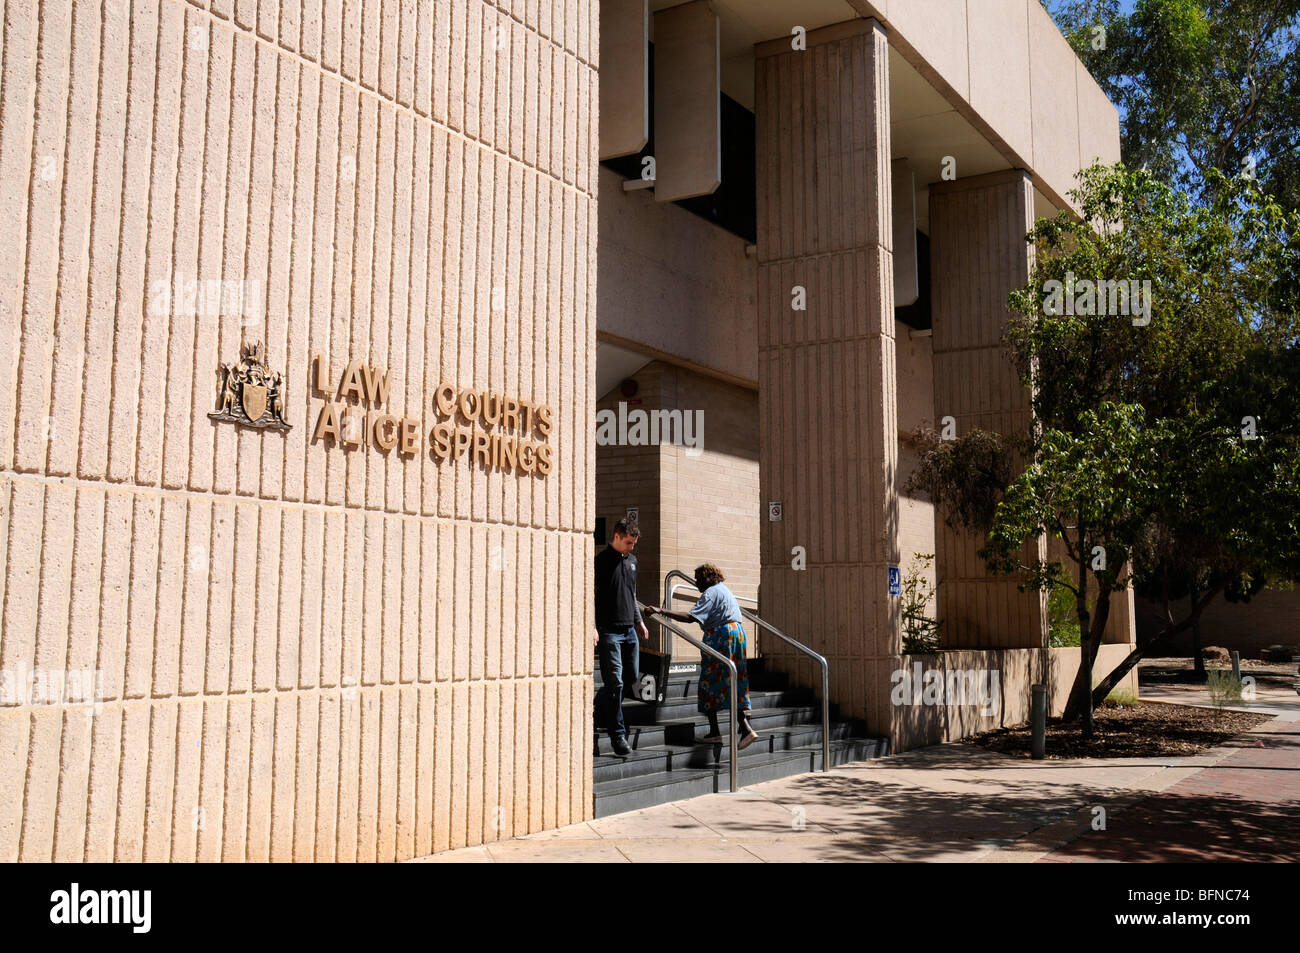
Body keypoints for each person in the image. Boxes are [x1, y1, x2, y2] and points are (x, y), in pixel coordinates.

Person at [650, 564, 758, 749]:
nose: (696, 583)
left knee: (709, 684)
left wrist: (661, 611)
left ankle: (720, 732)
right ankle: (743, 728)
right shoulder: (724, 590)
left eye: (698, 579)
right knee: (734, 681)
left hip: (721, 636)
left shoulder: (711, 593)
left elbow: (691, 617)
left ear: (706, 578)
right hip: (737, 634)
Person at [593, 519, 649, 757]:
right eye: (628, 542)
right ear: (616, 537)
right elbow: (590, 595)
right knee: (615, 683)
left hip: (629, 630)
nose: (631, 547)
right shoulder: (600, 561)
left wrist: (639, 621)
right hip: (608, 631)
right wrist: (592, 626)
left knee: (629, 678)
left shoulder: (633, 562)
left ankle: (597, 708)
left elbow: (632, 593)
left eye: (634, 543)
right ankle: (618, 735)